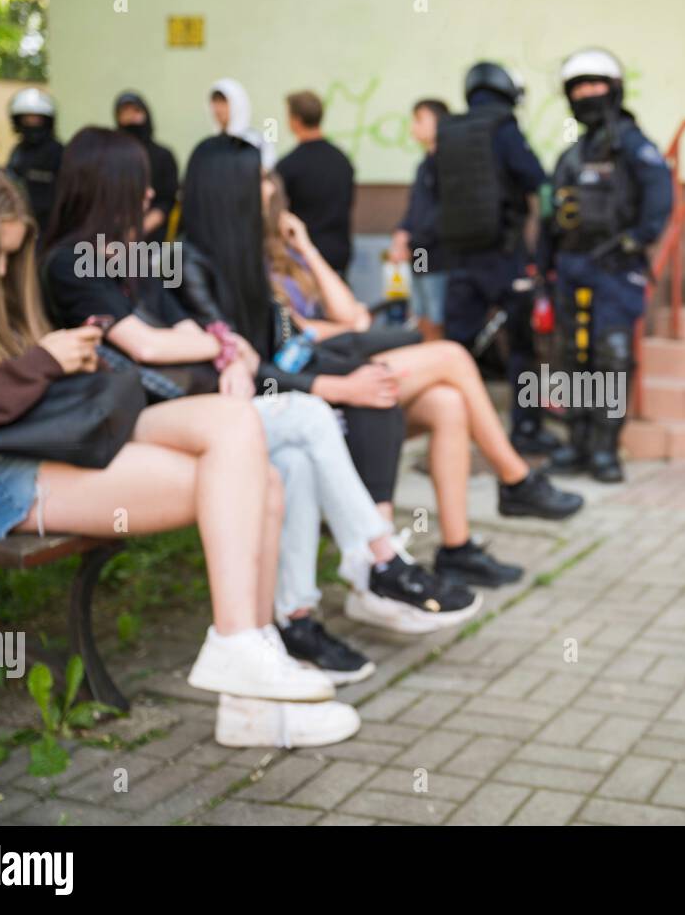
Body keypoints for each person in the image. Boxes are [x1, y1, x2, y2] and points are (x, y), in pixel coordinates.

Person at [0, 165, 358, 749]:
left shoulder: (0, 300)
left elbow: (22, 388)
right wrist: (42, 364)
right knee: (254, 487)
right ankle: (244, 662)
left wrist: (74, 364)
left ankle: (247, 674)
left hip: (60, 439)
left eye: (9, 257)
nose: (4, 271)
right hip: (4, 473)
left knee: (243, 436)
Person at [42, 128, 478, 666]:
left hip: (190, 408)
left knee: (292, 459)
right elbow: (149, 344)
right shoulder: (71, 263)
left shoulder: (141, 259)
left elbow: (213, 339)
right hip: (131, 422)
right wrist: (217, 347)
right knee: (309, 412)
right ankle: (377, 556)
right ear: (109, 187)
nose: (151, 196)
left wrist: (216, 349)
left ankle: (295, 620)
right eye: (141, 184)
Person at [173, 134, 582, 594]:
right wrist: (336, 381)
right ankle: (513, 480)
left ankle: (457, 547)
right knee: (449, 356)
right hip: (292, 391)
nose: (270, 191)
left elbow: (340, 319)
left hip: (320, 365)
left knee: (447, 402)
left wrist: (304, 248)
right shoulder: (191, 263)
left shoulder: (256, 254)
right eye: (259, 180)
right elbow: (246, 359)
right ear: (226, 189)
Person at [543, 48, 673, 482]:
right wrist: (540, 267)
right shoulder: (572, 155)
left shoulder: (634, 145)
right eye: (578, 87)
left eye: (593, 84)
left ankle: (605, 449)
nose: (586, 93)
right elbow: (550, 213)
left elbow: (659, 200)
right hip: (572, 268)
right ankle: (577, 444)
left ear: (613, 89)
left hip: (616, 270)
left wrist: (636, 240)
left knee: (610, 357)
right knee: (571, 357)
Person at [434, 62, 557, 454]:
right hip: (505, 258)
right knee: (521, 348)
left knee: (456, 347)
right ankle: (525, 431)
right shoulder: (503, 127)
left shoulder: (449, 130)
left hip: (459, 260)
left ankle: (449, 426)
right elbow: (538, 179)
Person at [275, 90, 355, 277]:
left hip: (303, 256)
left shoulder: (288, 165)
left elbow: (278, 213)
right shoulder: (342, 160)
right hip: (338, 254)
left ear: (295, 120)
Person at [389, 98, 449, 340]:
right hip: (419, 253)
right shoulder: (424, 165)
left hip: (438, 254)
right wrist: (402, 233)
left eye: (419, 120)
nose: (413, 127)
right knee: (421, 313)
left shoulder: (447, 164)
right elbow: (416, 208)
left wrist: (412, 240)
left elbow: (441, 211)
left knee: (437, 316)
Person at [114, 91, 179, 243]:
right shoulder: (111, 156)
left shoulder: (162, 156)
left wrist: (137, 231)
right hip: (111, 237)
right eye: (125, 112)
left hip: (152, 241)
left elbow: (167, 201)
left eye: (135, 111)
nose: (131, 117)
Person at [6, 87, 62, 233]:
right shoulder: (17, 152)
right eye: (27, 119)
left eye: (36, 119)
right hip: (21, 223)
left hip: (52, 229)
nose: (31, 124)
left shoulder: (59, 152)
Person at [208, 78, 275, 169]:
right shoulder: (209, 146)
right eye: (215, 102)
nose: (218, 109)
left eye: (224, 102)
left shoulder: (257, 142)